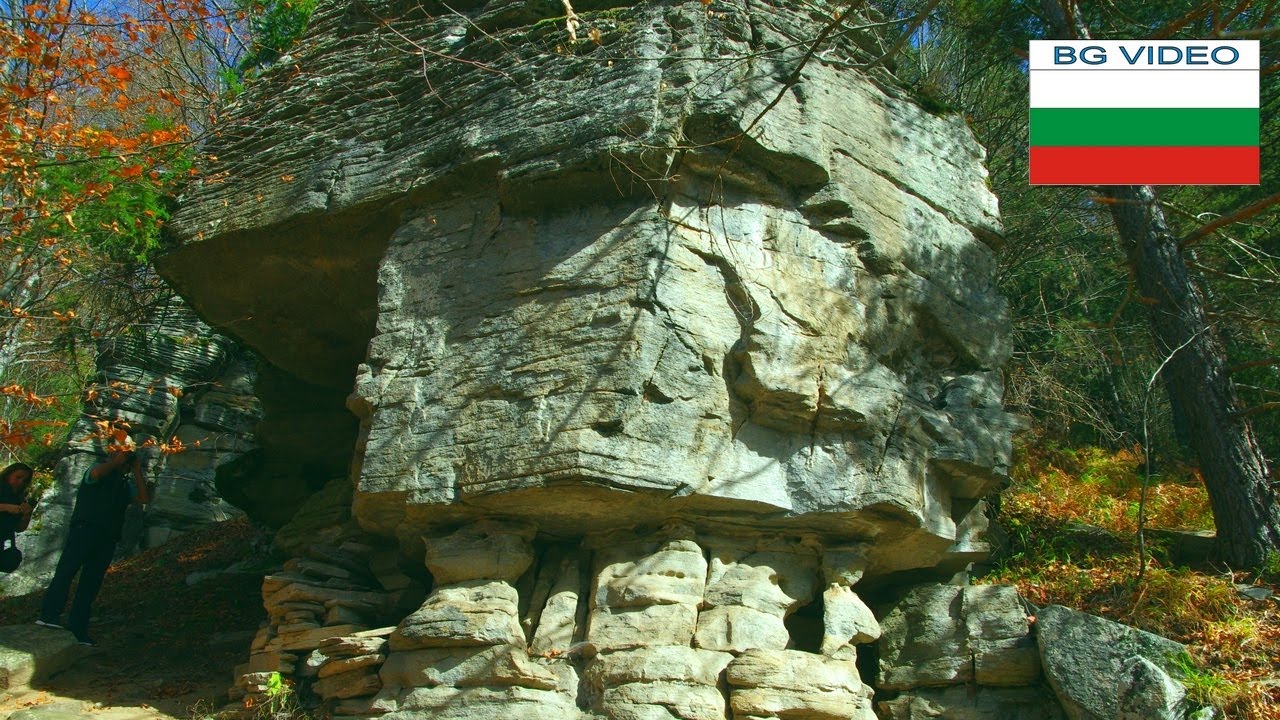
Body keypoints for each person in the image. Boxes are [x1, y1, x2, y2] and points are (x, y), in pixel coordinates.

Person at [36, 448, 149, 646]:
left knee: (91, 583)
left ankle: (78, 628)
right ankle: (49, 615)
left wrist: (136, 469)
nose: (123, 459)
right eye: (120, 455)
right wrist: (114, 463)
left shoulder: (124, 485)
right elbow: (95, 474)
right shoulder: (96, 470)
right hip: (84, 530)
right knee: (66, 572)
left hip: (108, 537)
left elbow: (143, 498)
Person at [1, 462, 35, 571]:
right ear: (8, 475)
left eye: (24, 480)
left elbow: (19, 528)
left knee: (11, 559)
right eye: (18, 477)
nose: (20, 482)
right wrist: (5, 507)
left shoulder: (19, 499)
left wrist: (27, 515)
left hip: (4, 541)